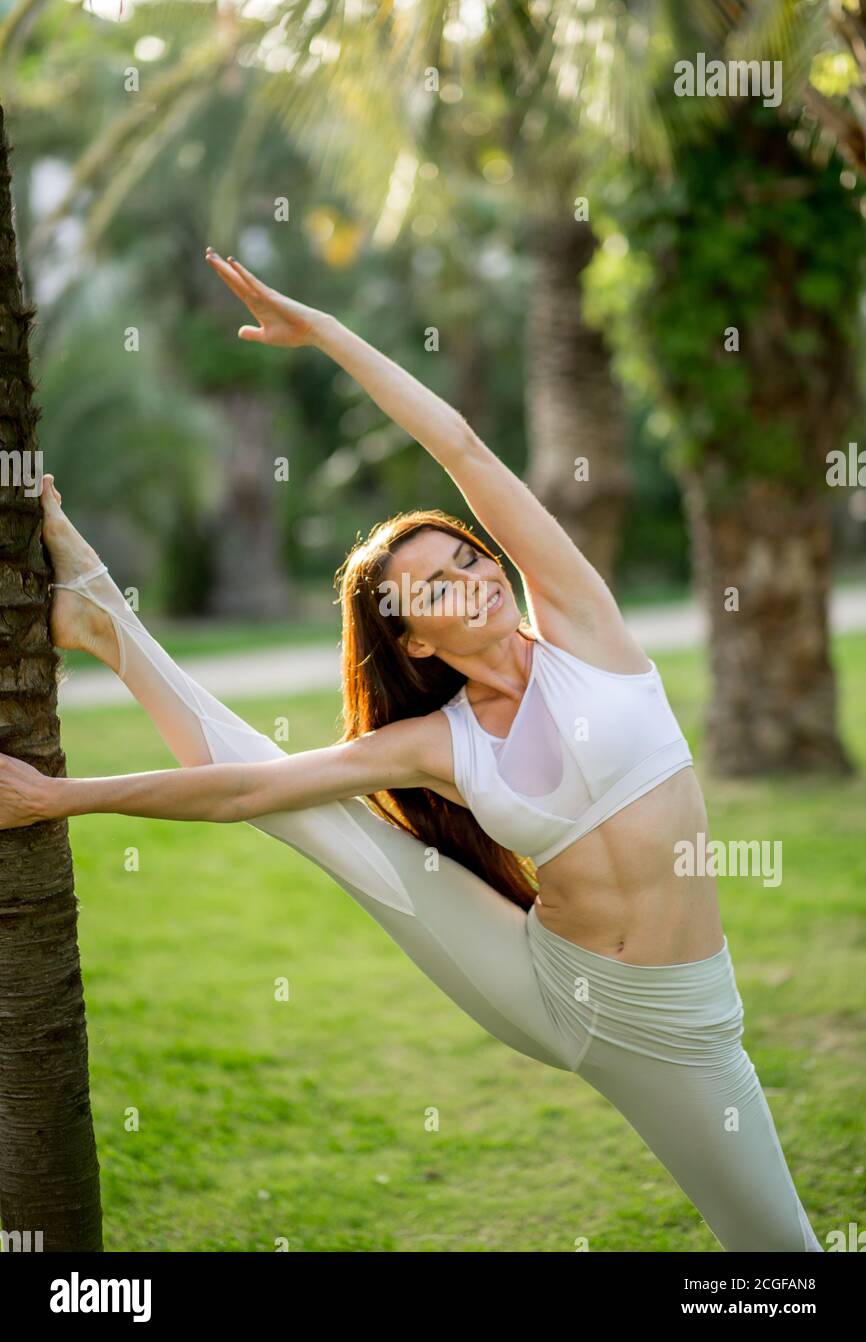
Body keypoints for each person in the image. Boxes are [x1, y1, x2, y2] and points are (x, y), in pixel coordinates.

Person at [0, 251, 822, 1252]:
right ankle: (103, 616)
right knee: (303, 812)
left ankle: (100, 620)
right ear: (415, 644)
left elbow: (464, 448)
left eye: (467, 557)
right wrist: (59, 798)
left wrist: (326, 334)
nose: (472, 578)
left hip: (675, 1026)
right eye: (434, 588)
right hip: (541, 981)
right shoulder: (439, 742)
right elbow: (248, 788)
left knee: (779, 1257)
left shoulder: (588, 640)